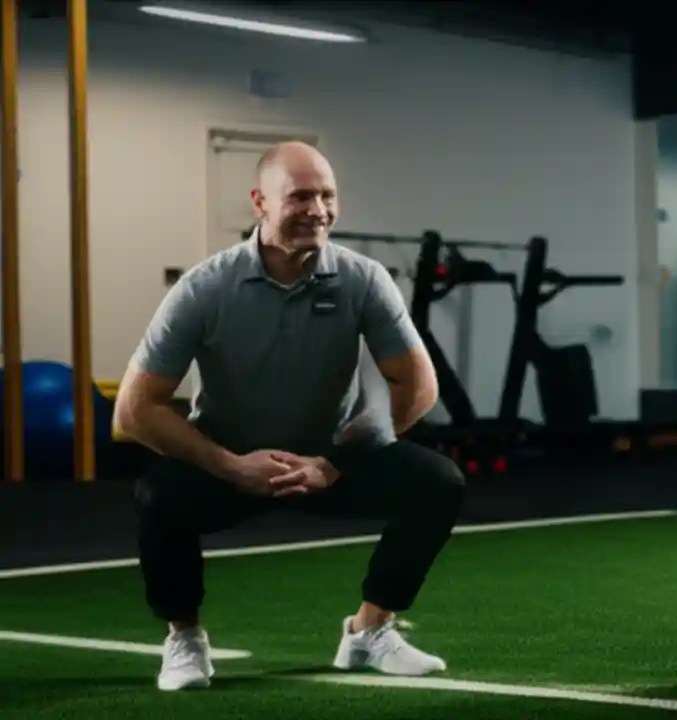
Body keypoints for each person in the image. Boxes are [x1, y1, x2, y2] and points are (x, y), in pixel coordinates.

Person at [114, 141, 466, 692]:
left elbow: (418, 387)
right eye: (300, 196)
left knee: (438, 482)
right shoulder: (205, 287)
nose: (317, 210)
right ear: (260, 201)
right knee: (158, 496)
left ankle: (369, 631)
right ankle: (184, 638)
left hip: (327, 464)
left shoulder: (362, 279)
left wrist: (333, 463)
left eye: (327, 196)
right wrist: (232, 467)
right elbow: (135, 409)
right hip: (232, 465)